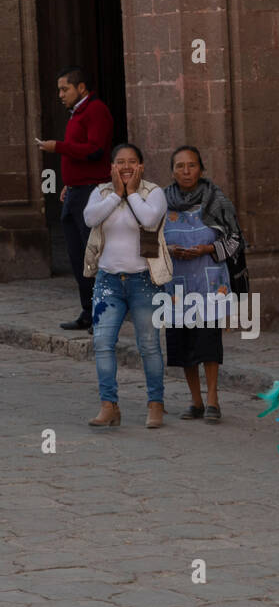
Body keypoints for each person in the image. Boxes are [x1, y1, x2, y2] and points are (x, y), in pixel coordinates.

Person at [83, 143, 171, 428]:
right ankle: (109, 405)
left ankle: (155, 404)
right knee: (102, 343)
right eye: (120, 162)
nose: (126, 167)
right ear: (111, 167)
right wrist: (117, 194)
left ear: (141, 166)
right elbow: (90, 219)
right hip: (108, 281)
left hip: (144, 281)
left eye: (132, 162)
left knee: (148, 345)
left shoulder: (153, 193)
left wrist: (131, 193)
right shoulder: (101, 193)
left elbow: (148, 219)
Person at [163, 145, 246, 422]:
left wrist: (208, 249)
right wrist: (169, 249)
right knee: (183, 343)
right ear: (172, 170)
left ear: (201, 169)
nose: (186, 171)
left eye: (192, 165)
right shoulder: (160, 201)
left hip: (210, 283)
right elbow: (149, 239)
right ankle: (195, 401)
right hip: (175, 285)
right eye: (180, 166)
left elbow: (235, 240)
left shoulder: (217, 200)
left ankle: (213, 400)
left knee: (208, 342)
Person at [37, 67, 115, 331]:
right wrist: (68, 184)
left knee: (93, 254)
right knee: (77, 255)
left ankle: (103, 314)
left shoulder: (95, 110)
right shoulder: (76, 114)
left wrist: (57, 147)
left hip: (90, 192)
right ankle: (87, 310)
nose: (60, 94)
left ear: (81, 88)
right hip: (75, 191)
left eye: (64, 89)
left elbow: (95, 151)